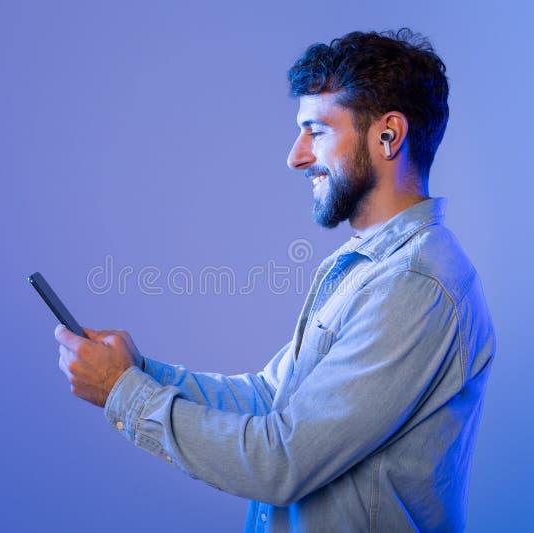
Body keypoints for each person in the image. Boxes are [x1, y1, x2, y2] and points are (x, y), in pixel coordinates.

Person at [55, 28, 495, 532]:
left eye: (317, 130)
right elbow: (272, 399)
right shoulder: (371, 270)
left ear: (388, 135)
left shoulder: (417, 286)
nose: (296, 155)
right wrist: (139, 370)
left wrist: (123, 392)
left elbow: (281, 460)